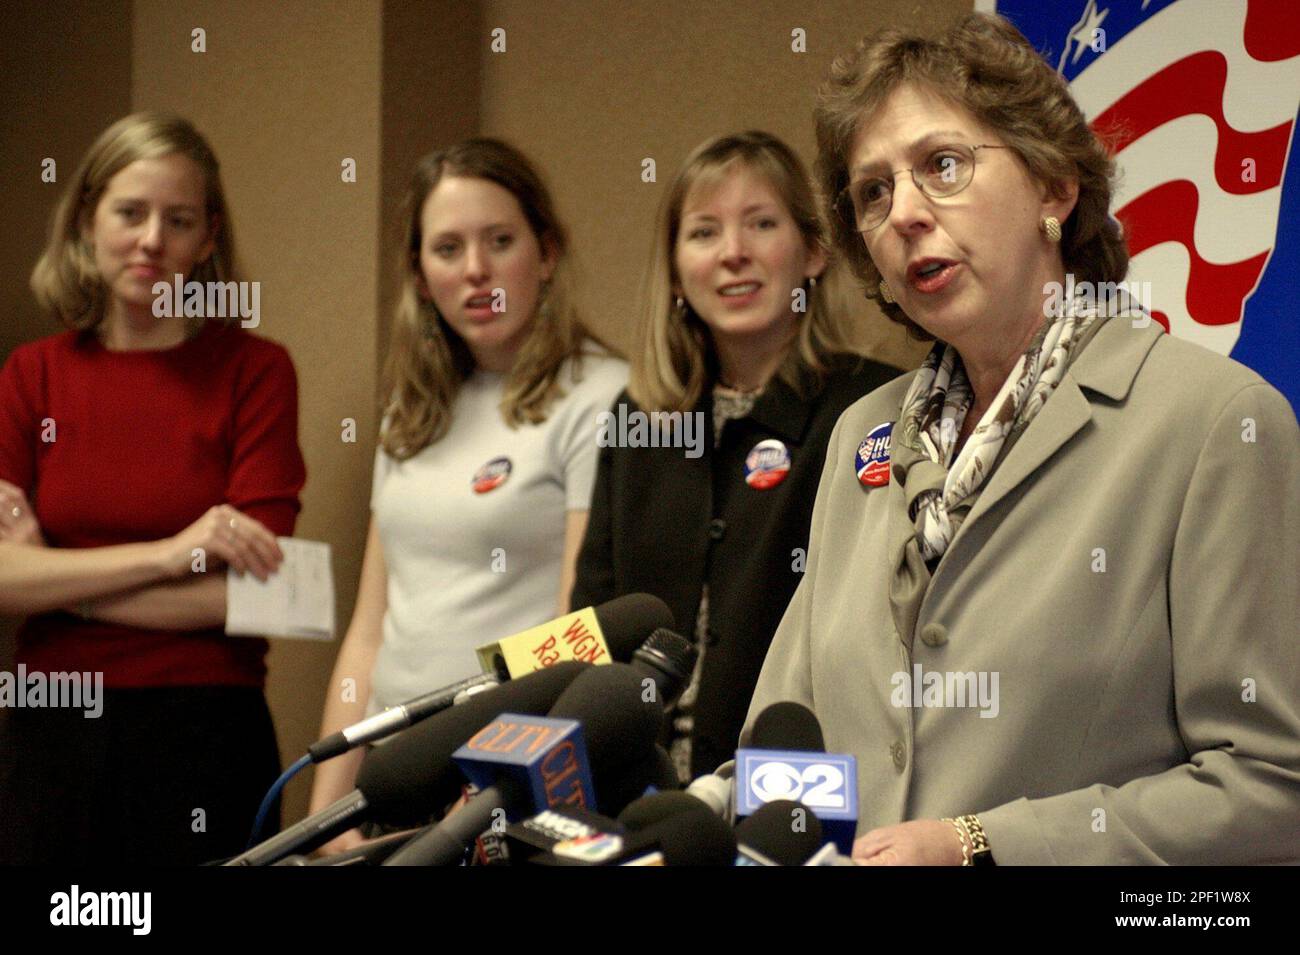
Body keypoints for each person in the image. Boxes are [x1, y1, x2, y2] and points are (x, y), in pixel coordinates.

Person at [744, 13, 1300, 865]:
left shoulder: (1212, 421)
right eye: (873, 192)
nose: (906, 215)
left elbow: (1270, 789)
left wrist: (981, 844)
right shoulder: (866, 431)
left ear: (1053, 186)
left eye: (942, 166)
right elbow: (788, 729)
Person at [0, 112, 306, 865]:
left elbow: (259, 592)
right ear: (86, 219)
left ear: (207, 239)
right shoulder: (31, 375)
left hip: (203, 727)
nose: (151, 241)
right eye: (130, 213)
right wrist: (176, 552)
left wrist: (60, 581)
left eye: (178, 220)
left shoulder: (255, 372)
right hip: (53, 722)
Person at [309, 139, 627, 849]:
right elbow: (370, 629)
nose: (476, 269)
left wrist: (487, 800)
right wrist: (326, 811)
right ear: (421, 276)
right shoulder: (409, 413)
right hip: (391, 777)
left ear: (546, 253)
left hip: (502, 784)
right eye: (447, 248)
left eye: (500, 240)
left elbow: (570, 625)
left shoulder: (601, 396)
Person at [571, 131, 900, 782]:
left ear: (812, 252)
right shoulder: (639, 420)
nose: (733, 254)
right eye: (703, 232)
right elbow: (592, 619)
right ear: (675, 266)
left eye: (761, 224)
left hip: (793, 794)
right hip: (637, 794)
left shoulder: (870, 411)